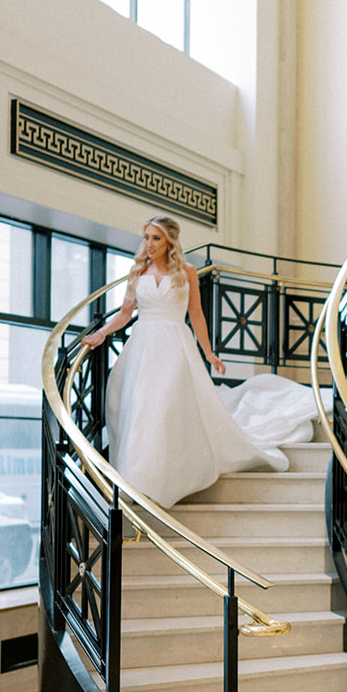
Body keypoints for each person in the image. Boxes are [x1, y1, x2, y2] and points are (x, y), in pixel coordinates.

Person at [83, 216, 318, 509]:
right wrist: (103, 333)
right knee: (142, 408)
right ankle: (138, 481)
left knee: (166, 406)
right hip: (143, 347)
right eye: (146, 237)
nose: (149, 244)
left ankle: (165, 479)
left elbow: (196, 315)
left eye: (156, 238)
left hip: (174, 347)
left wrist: (208, 353)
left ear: (169, 240)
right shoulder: (137, 271)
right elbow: (125, 313)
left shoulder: (187, 272)